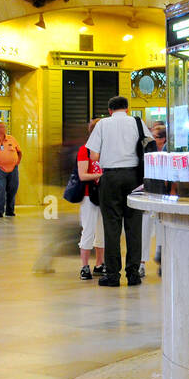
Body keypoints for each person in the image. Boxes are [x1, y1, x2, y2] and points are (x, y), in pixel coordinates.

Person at [85, 96, 153, 287]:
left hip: (111, 177)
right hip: (134, 177)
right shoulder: (137, 122)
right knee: (134, 225)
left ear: (109, 110)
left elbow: (94, 155)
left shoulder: (103, 125)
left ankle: (113, 275)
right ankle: (133, 274)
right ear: (127, 109)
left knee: (112, 226)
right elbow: (149, 145)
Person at [76, 118, 105, 281]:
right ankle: (84, 266)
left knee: (102, 231)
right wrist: (101, 175)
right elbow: (82, 175)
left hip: (103, 195)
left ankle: (100, 264)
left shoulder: (106, 150)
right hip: (89, 195)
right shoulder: (84, 150)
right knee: (88, 230)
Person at [139, 124, 167, 279]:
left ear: (162, 139)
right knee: (145, 229)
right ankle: (141, 263)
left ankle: (162, 259)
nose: (151, 141)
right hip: (148, 194)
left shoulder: (167, 152)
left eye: (154, 137)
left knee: (161, 228)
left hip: (163, 196)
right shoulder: (147, 152)